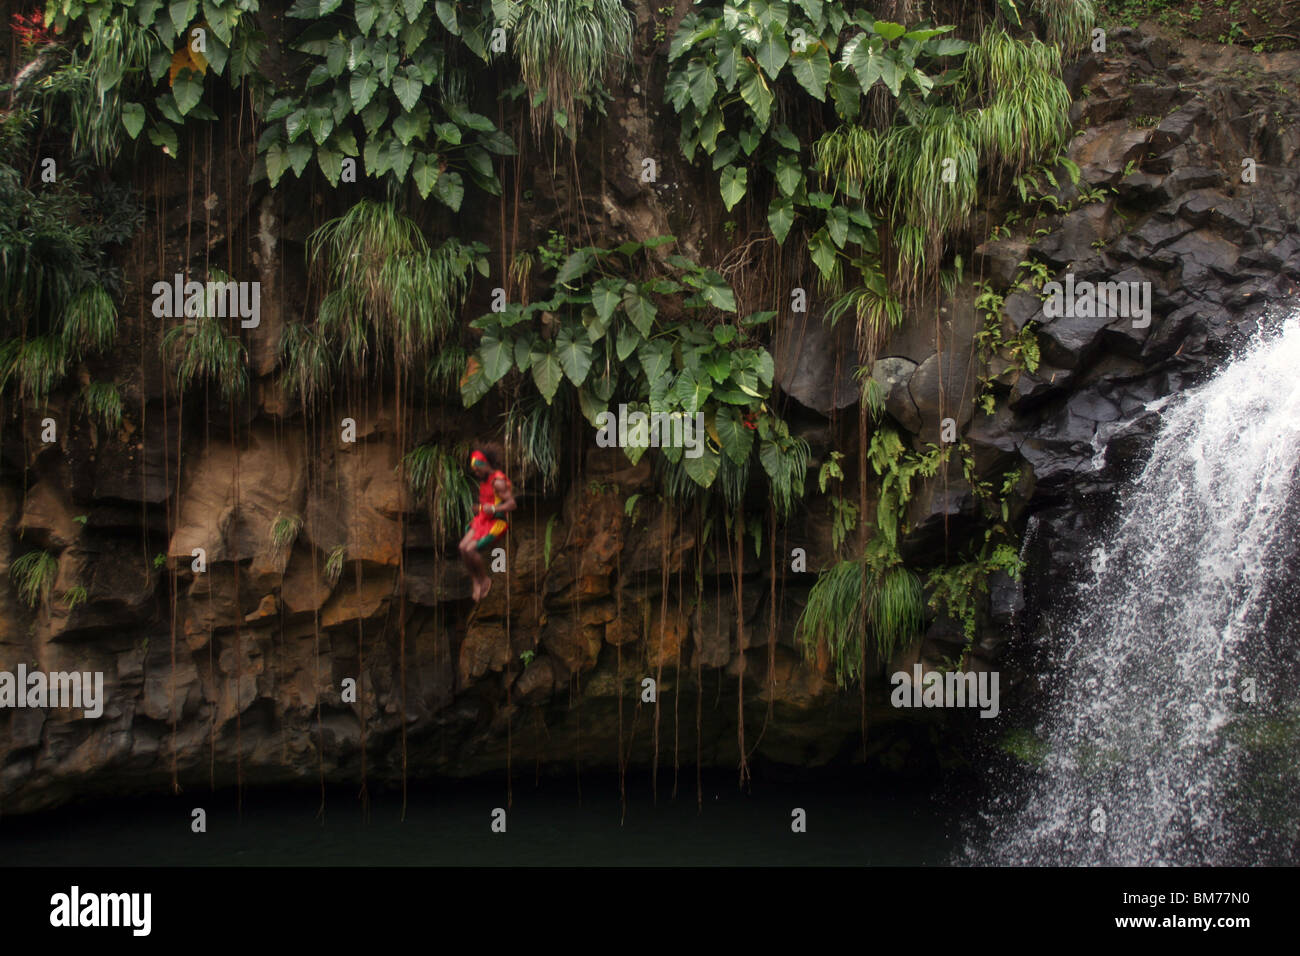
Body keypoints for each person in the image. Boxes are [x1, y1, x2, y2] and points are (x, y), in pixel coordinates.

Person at [458, 443, 516, 602]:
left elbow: (511, 504)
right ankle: (475, 580)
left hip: (496, 522)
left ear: (486, 465)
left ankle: (484, 579)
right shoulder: (484, 481)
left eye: (478, 469)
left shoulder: (498, 481)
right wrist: (480, 508)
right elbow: (487, 504)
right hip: (481, 520)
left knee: (470, 549)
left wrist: (494, 508)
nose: (476, 473)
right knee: (462, 547)